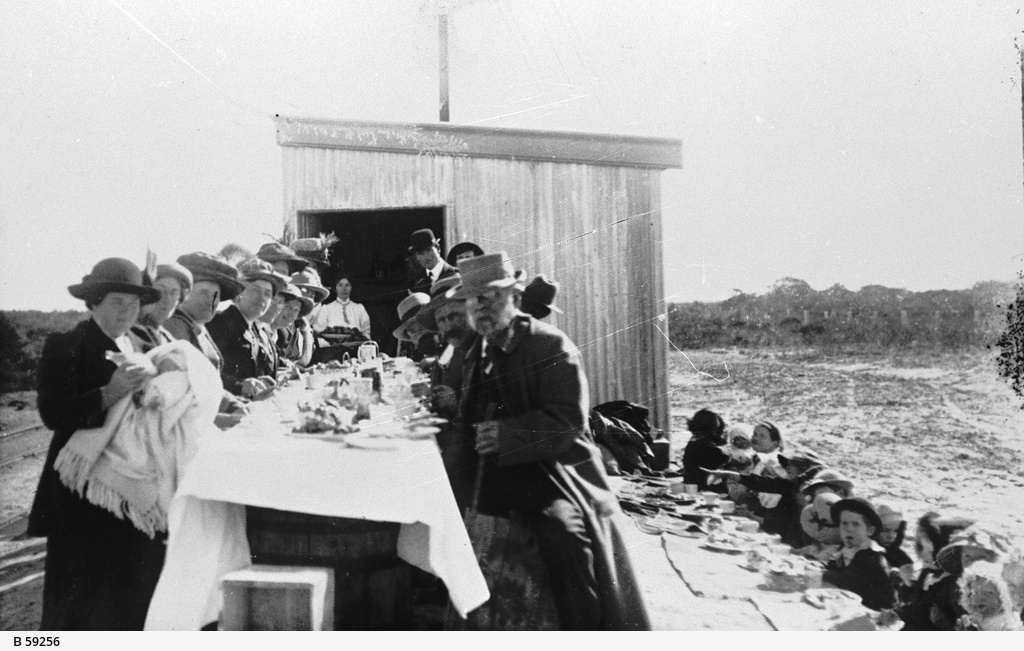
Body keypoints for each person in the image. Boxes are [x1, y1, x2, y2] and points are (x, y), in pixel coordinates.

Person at [451, 252, 650, 630]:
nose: (480, 306)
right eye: (472, 299)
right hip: (496, 471)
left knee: (564, 539)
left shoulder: (551, 347)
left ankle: (586, 628)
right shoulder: (478, 347)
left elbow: (568, 423)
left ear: (515, 297)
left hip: (554, 471)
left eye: (490, 296)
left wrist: (508, 435)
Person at [29, 257, 166, 630]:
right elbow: (54, 413)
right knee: (82, 602)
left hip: (132, 486)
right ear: (93, 302)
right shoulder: (68, 344)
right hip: (83, 495)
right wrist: (110, 393)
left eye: (135, 303)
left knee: (131, 596)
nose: (128, 310)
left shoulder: (145, 341)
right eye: (117, 302)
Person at [165, 252, 249, 428]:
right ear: (184, 294)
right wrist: (221, 418)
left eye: (216, 296)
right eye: (203, 293)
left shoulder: (198, 326)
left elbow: (207, 385)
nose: (211, 302)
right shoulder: (175, 326)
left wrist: (232, 403)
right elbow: (177, 395)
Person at [207, 258, 288, 398]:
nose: (262, 298)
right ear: (238, 293)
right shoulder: (221, 323)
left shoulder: (256, 330)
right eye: (255, 290)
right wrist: (239, 385)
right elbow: (205, 373)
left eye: (268, 294)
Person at [895, 512, 975, 630]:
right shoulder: (928, 571)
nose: (924, 555)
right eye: (920, 547)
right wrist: (907, 583)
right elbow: (913, 603)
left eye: (932, 550)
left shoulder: (956, 585)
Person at [821, 497, 898, 611]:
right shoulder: (848, 548)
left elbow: (846, 579)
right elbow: (837, 568)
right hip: (856, 604)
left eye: (856, 524)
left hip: (878, 612)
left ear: (870, 530)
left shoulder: (870, 555)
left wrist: (821, 573)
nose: (849, 529)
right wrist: (826, 563)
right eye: (844, 523)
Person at [130, 262, 193, 351]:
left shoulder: (169, 340)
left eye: (174, 293)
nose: (167, 300)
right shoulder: (127, 333)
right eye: (161, 291)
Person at [308, 272, 372, 344]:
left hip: (356, 348)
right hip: (331, 350)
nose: (344, 289)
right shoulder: (326, 309)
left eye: (347, 285)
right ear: (335, 288)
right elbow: (318, 332)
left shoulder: (359, 308)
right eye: (340, 285)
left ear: (351, 288)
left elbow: (366, 334)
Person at [681, 408, 729, 491]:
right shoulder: (707, 446)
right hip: (704, 487)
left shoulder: (695, 440)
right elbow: (721, 460)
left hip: (692, 483)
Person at [406, 228, 458, 294]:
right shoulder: (418, 288)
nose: (425, 257)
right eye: (420, 253)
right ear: (416, 257)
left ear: (438, 248)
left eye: (428, 250)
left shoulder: (459, 275)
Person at [274, 283, 315, 366]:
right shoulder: (277, 327)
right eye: (288, 307)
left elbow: (305, 360)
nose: (291, 314)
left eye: (296, 310)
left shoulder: (299, 324)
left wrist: (306, 332)